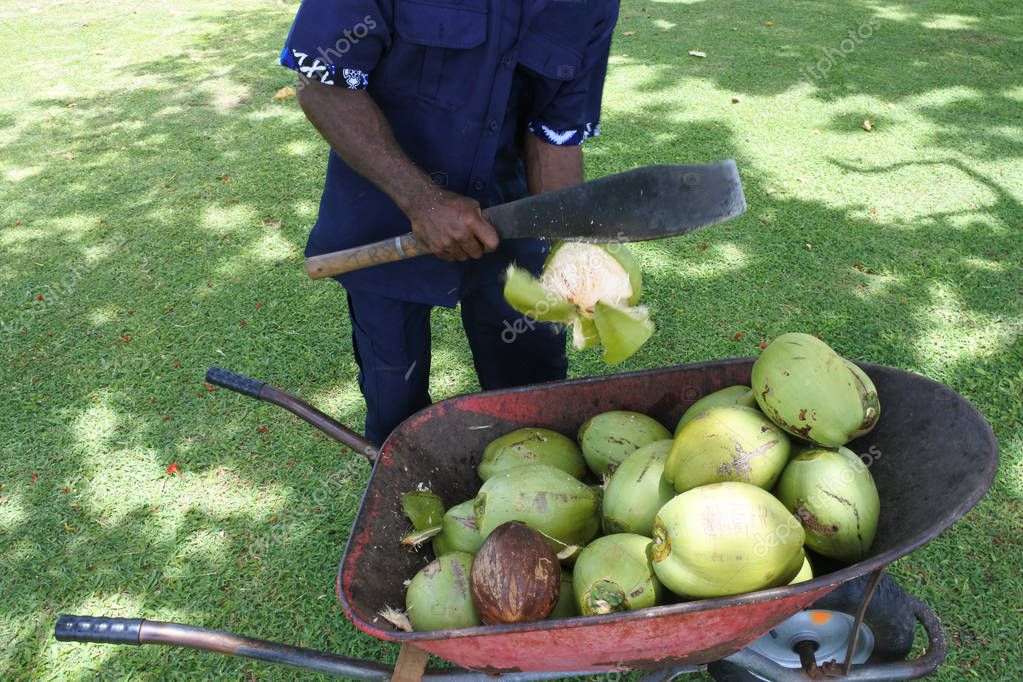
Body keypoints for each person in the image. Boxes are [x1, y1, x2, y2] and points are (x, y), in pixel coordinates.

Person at [280, 0, 620, 445]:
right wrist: (423, 201)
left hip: (506, 223)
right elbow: (322, 82)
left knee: (533, 399)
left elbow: (554, 130)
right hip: (384, 219)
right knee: (396, 407)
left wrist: (569, 246)